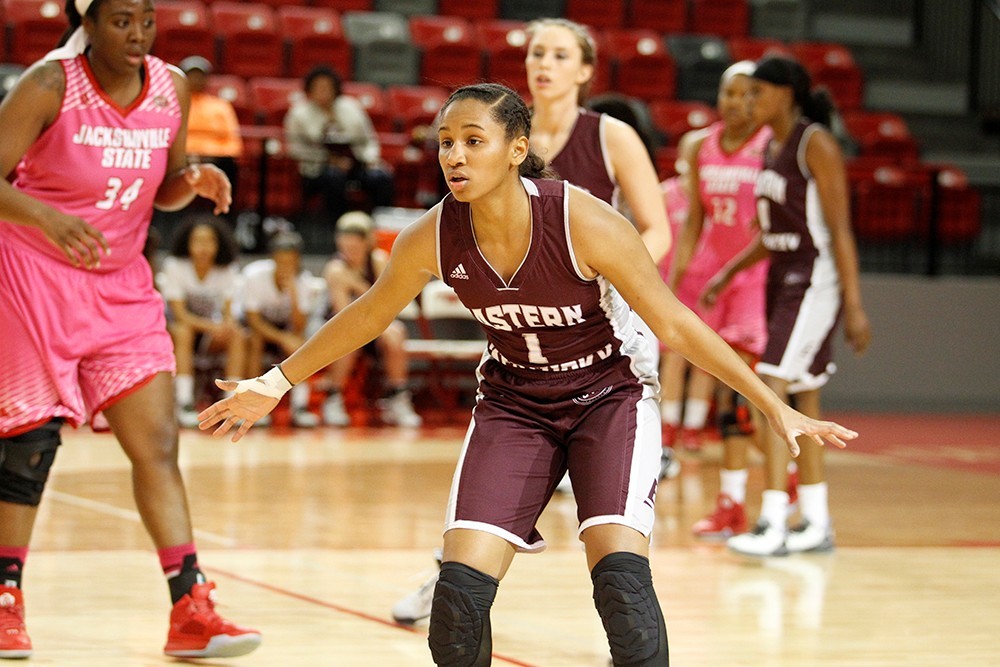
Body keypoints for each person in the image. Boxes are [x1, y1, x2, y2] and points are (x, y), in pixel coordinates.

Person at [197, 83, 858, 666]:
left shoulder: (583, 220)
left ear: (516, 149)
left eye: (473, 140)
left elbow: (677, 325)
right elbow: (369, 314)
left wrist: (775, 404)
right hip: (515, 403)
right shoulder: (432, 234)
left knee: (622, 590)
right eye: (446, 142)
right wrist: (274, 381)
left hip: (611, 397)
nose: (455, 155)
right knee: (456, 606)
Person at [392, 16, 677, 626]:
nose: (542, 64)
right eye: (535, 53)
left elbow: (656, 227)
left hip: (608, 324)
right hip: (524, 328)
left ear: (584, 70)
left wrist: (612, 278)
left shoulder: (610, 136)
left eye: (558, 54)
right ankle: (452, 574)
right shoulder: (487, 131)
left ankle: (627, 612)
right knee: (493, 472)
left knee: (607, 507)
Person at [0, 0, 260, 659]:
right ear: (86, 21)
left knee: (159, 443)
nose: (137, 34)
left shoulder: (171, 85)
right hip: (33, 274)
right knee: (29, 445)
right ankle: (5, 596)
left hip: (119, 284)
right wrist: (41, 216)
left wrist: (190, 180)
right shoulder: (48, 83)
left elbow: (160, 186)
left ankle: (189, 606)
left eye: (146, 19)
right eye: (121, 20)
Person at [701, 56, 872, 557]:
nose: (749, 102)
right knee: (803, 400)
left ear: (785, 94)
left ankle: (773, 519)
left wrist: (855, 305)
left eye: (758, 93)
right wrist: (728, 271)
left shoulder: (813, 142)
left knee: (769, 391)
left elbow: (839, 229)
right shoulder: (771, 148)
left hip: (814, 281)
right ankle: (816, 521)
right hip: (782, 277)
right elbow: (771, 234)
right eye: (745, 94)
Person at [661, 61, 775, 537]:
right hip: (711, 278)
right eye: (731, 93)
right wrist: (674, 282)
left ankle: (770, 493)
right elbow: (692, 225)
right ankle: (733, 502)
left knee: (743, 397)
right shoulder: (700, 145)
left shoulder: (771, 145)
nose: (738, 103)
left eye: (749, 95)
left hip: (755, 280)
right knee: (723, 393)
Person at [320, 211, 422, 427]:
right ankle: (333, 397)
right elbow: (343, 313)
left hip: (376, 322)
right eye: (346, 246)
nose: (351, 251)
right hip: (340, 326)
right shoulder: (335, 269)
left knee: (396, 332)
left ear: (367, 242)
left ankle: (398, 396)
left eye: (355, 246)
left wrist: (356, 284)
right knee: (348, 338)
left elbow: (388, 301)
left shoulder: (378, 260)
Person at [161, 214, 248, 428]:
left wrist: (226, 326)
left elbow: (229, 312)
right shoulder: (175, 266)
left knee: (237, 335)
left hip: (209, 333)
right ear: (188, 243)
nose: (203, 247)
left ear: (219, 245)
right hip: (173, 332)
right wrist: (213, 326)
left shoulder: (226, 269)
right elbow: (180, 315)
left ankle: (230, 401)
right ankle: (185, 402)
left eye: (209, 241)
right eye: (198, 241)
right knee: (183, 331)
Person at [283, 65, 394, 226]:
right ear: (309, 90)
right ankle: (338, 227)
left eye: (327, 87)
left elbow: (369, 139)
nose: (323, 91)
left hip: (356, 163)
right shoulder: (298, 114)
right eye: (318, 87)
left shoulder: (351, 107)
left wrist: (370, 159)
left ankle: (379, 227)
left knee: (382, 177)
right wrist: (328, 159)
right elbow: (295, 149)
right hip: (316, 169)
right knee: (333, 177)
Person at [240, 229, 321, 428]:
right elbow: (253, 321)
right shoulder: (254, 275)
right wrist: (282, 338)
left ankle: (300, 407)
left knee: (300, 346)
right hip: (256, 329)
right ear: (272, 259)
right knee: (255, 340)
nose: (286, 266)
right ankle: (251, 402)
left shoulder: (304, 282)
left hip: (285, 330)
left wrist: (294, 295)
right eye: (281, 261)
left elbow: (300, 326)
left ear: (298, 261)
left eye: (290, 262)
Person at [178, 55, 242, 216]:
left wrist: (212, 155)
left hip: (215, 158)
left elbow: (233, 141)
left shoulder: (220, 106)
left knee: (229, 168)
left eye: (200, 76)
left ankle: (223, 214)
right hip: (181, 158)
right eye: (191, 75)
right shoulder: (173, 103)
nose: (196, 80)